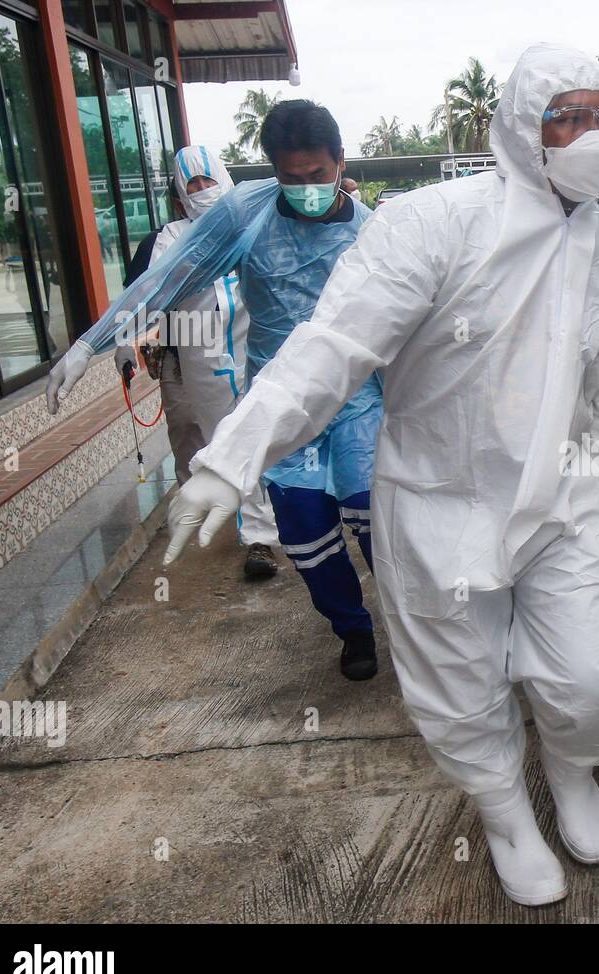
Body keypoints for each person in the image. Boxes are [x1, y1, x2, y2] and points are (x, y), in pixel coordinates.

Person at [164, 45, 599, 907]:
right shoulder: (436, 223)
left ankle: (573, 771)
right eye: (565, 116)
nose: (589, 136)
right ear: (522, 126)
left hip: (566, 505)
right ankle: (503, 810)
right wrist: (231, 461)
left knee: (589, 680)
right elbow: (334, 345)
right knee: (460, 682)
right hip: (443, 503)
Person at [46, 100, 385, 683]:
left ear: (340, 163)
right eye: (291, 177)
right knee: (303, 527)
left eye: (317, 176)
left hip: (358, 398)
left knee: (376, 511)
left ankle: (417, 623)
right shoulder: (245, 214)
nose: (305, 188)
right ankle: (352, 627)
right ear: (272, 170)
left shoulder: (376, 231)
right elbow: (169, 275)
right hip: (281, 404)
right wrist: (91, 343)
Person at [121, 146, 279, 580]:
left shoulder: (256, 223)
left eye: (210, 181)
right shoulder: (170, 240)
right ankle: (226, 518)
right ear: (180, 196)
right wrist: (120, 341)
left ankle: (261, 535)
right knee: (212, 440)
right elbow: (144, 297)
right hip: (197, 360)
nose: (204, 191)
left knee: (260, 440)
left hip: (257, 351)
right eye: (194, 185)